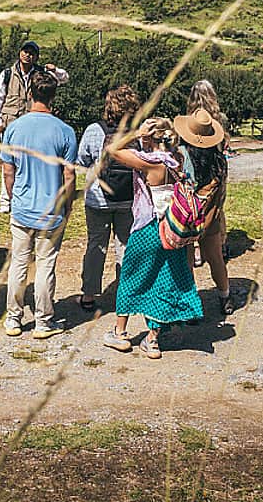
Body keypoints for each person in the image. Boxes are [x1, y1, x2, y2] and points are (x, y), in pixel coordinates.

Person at [105, 117, 205, 359]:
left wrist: (135, 133)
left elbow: (112, 150)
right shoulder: (177, 163)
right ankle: (152, 340)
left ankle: (120, 333)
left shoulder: (151, 164)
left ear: (148, 138)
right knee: (164, 280)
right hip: (173, 230)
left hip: (148, 228)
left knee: (131, 277)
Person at [1, 70, 77, 338]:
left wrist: (12, 198)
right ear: (54, 95)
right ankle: (43, 321)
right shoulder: (65, 132)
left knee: (19, 264)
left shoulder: (14, 128)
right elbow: (69, 175)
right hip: (51, 209)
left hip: (22, 207)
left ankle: (14, 318)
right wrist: (68, 206)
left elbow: (8, 171)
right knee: (46, 265)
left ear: (30, 93)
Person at [76, 84, 141, 311]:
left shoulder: (95, 130)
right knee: (125, 246)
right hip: (128, 200)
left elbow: (82, 161)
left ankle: (89, 295)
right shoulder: (138, 132)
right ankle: (126, 294)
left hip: (97, 199)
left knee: (96, 245)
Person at [0, 40, 69, 213]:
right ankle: (6, 201)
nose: (28, 55)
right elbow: (0, 98)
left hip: (32, 122)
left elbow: (64, 78)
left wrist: (54, 70)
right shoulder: (6, 74)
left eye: (32, 53)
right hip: (10, 121)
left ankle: (26, 194)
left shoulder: (40, 73)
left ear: (36, 57)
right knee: (8, 161)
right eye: (25, 51)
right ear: (19, 53)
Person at [184, 80, 233, 317]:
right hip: (211, 198)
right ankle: (225, 297)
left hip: (188, 201)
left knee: (186, 259)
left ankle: (192, 305)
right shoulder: (219, 123)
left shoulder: (187, 123)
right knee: (214, 255)